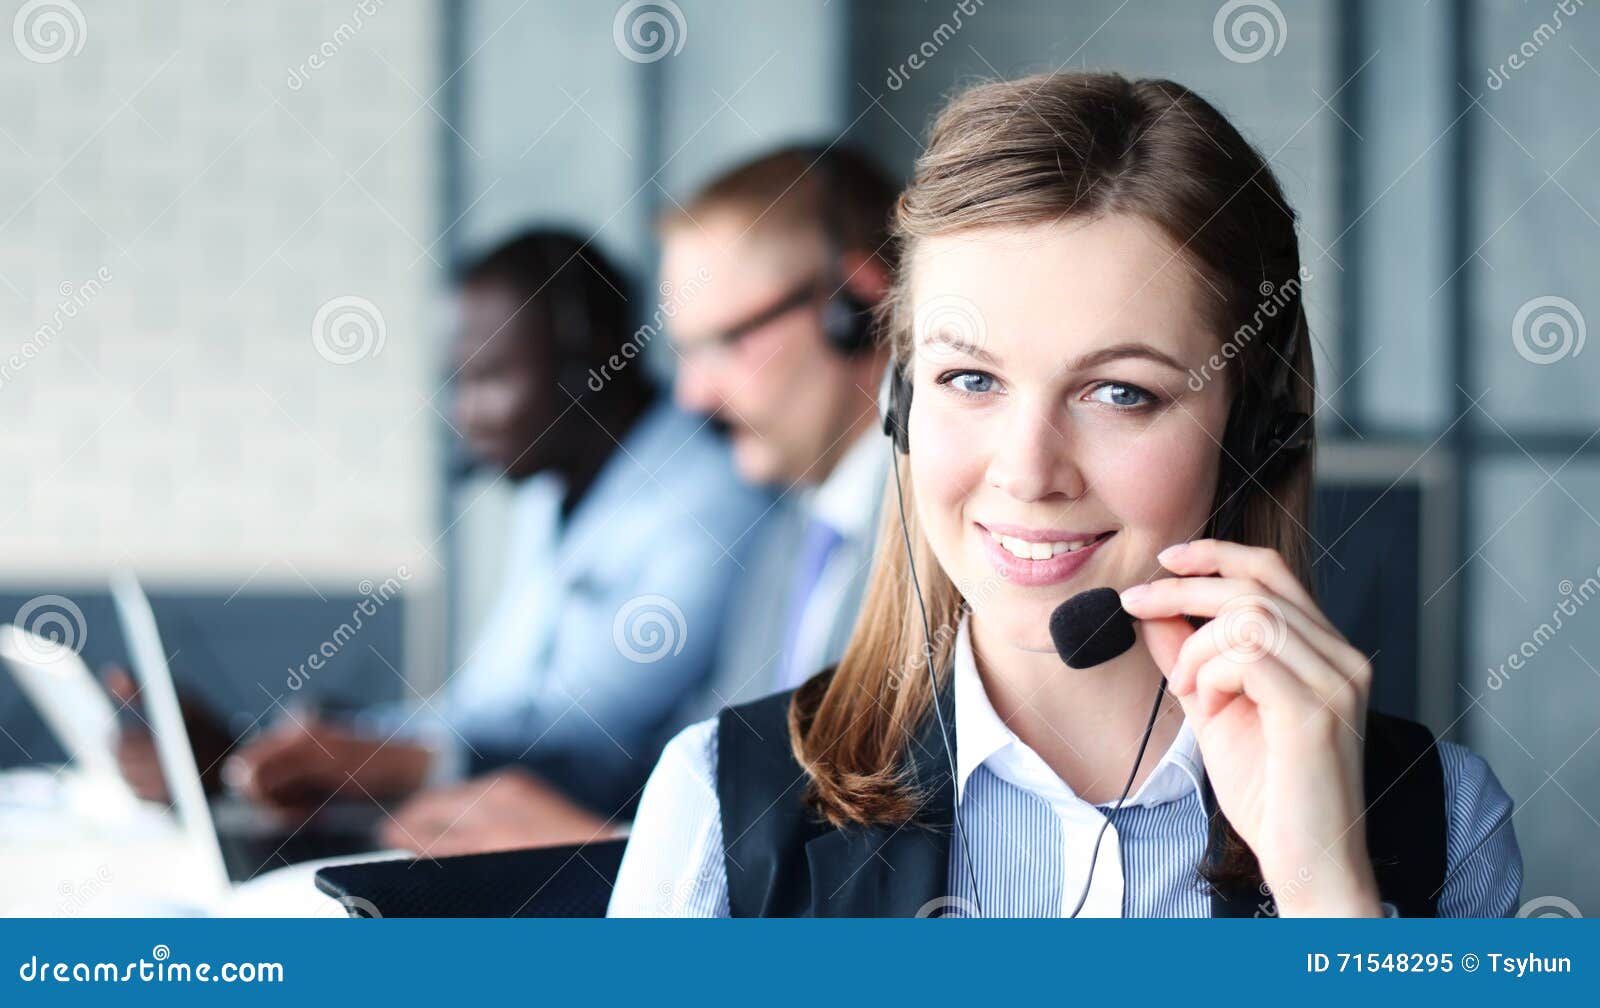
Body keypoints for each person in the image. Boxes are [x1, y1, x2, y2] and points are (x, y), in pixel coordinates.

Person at [609, 72, 1522, 917]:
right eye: (971, 379)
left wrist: (1327, 888)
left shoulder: (1442, 822)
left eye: (1119, 392)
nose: (1028, 471)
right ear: (901, 405)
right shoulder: (717, 807)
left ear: (1254, 431)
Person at [114, 229, 771, 854]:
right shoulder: (552, 491)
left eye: (490, 378)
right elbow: (485, 708)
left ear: (588, 363)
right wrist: (264, 750)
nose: (464, 415)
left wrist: (390, 760)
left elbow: (594, 750)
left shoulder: (712, 499)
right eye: (458, 381)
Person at [659, 145, 898, 715]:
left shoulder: (958, 529)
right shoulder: (789, 529)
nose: (691, 395)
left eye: (727, 341)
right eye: (686, 352)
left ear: (856, 308)